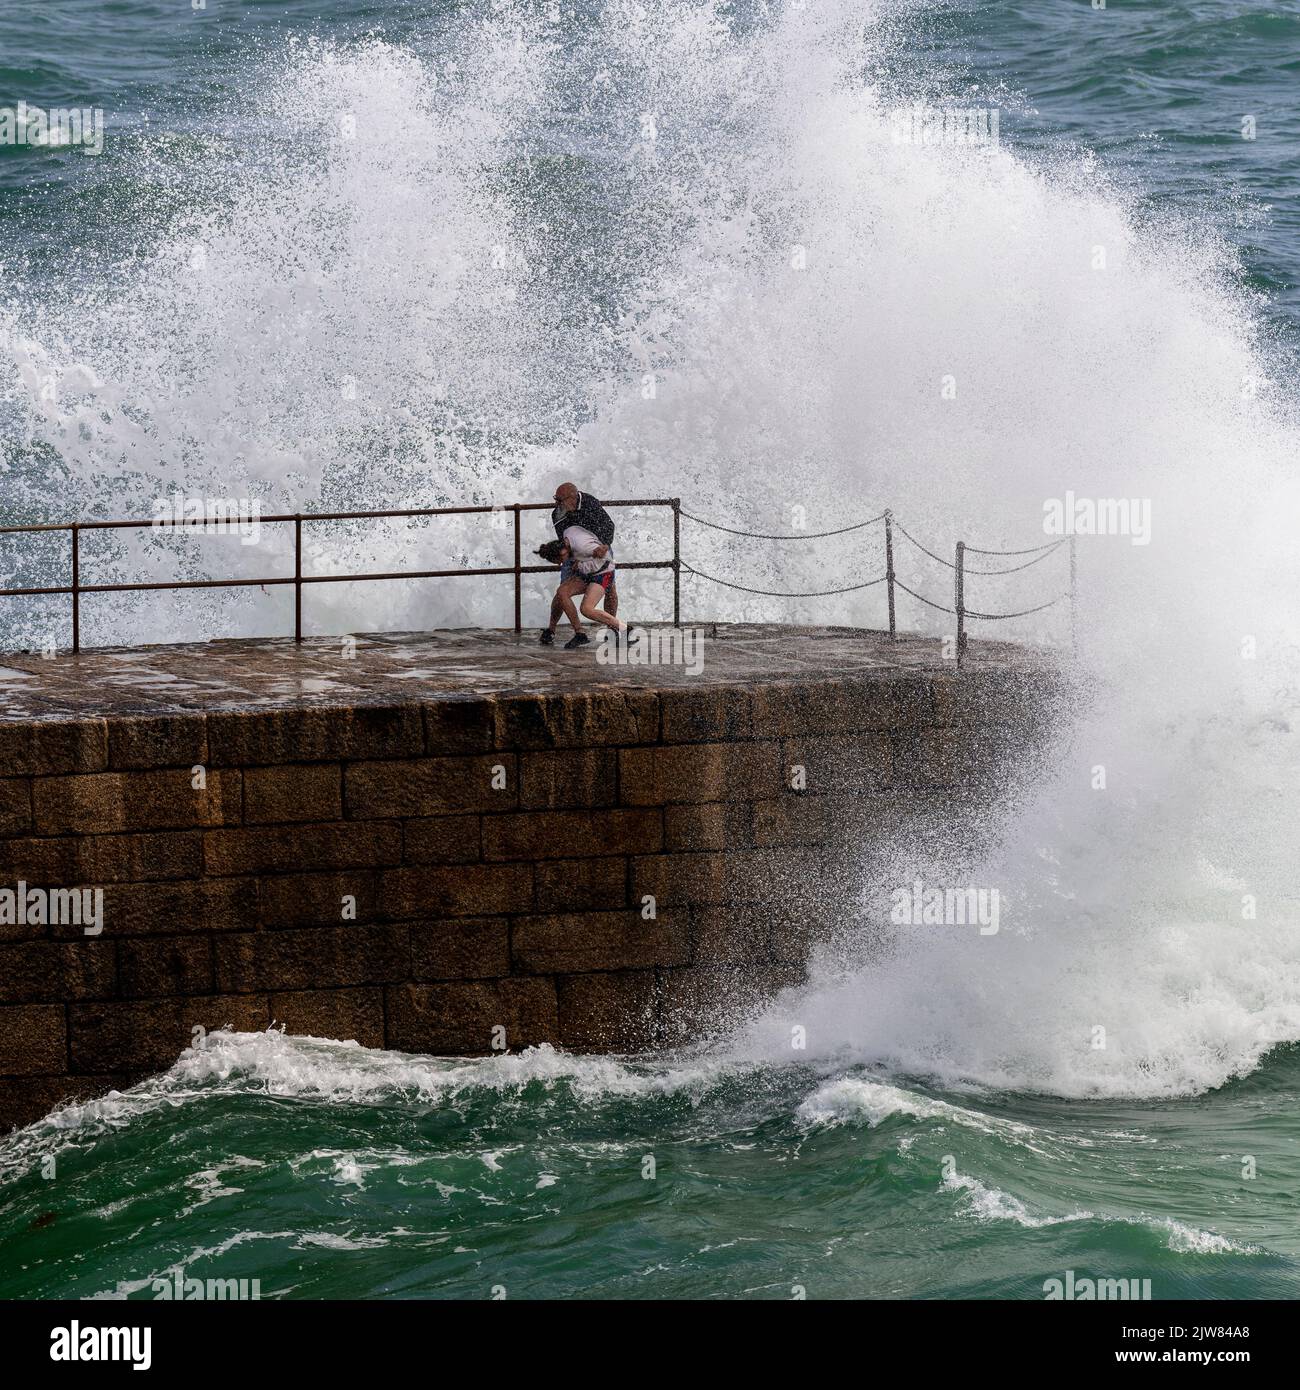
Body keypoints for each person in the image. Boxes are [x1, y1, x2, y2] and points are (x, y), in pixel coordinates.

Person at [538, 482, 622, 648]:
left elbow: (609, 526)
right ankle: (552, 629)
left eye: (560, 500)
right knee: (563, 589)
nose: (557, 504)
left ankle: (612, 629)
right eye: (556, 500)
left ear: (573, 497)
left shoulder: (590, 504)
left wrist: (604, 545)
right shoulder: (558, 513)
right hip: (573, 551)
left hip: (599, 548)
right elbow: (562, 538)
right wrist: (571, 557)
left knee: (610, 587)